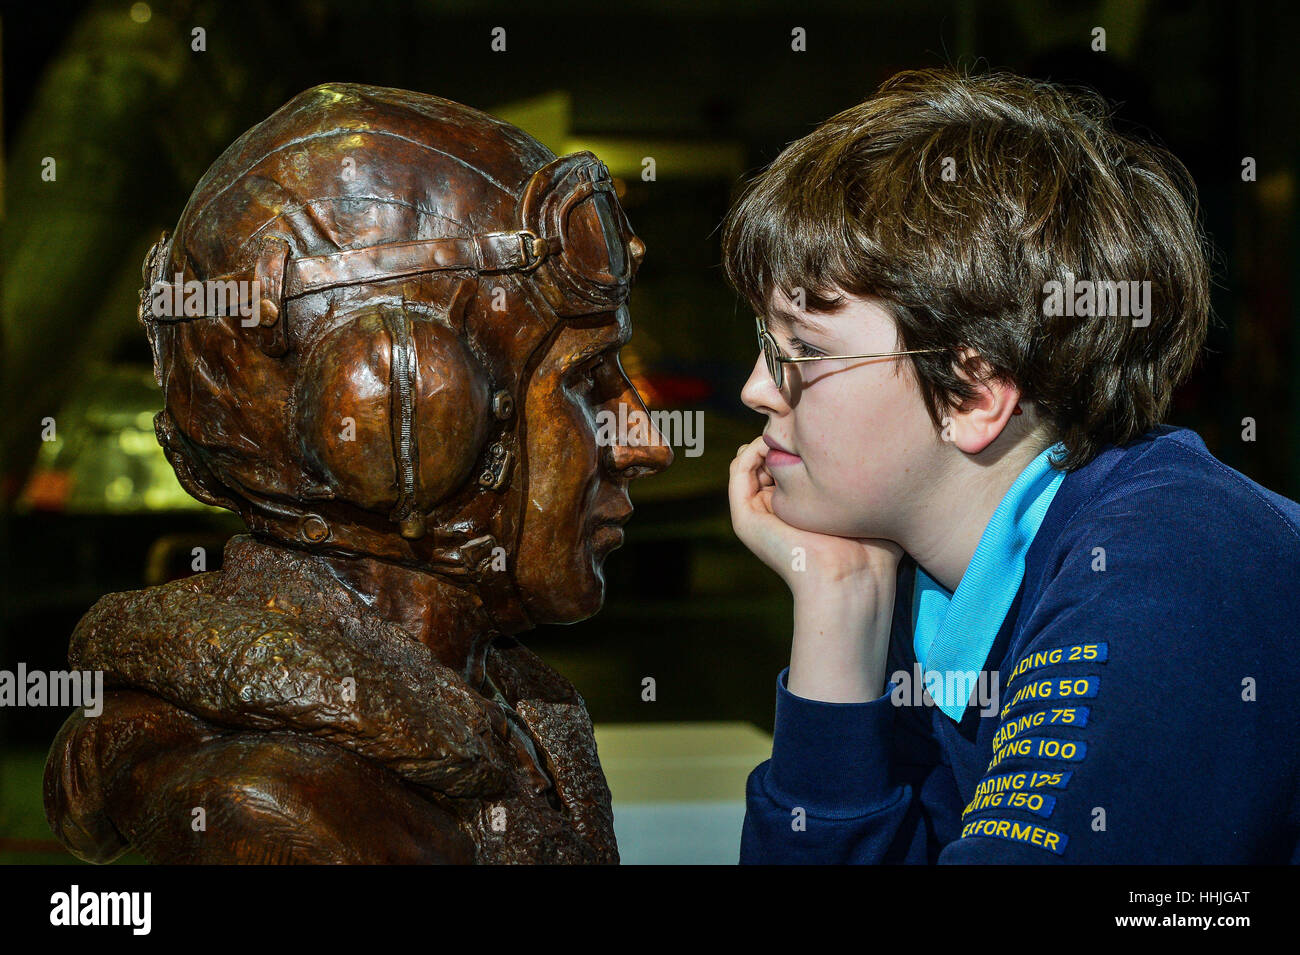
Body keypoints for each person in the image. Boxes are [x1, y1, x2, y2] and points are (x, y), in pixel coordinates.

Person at [44, 83, 671, 864]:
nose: (646, 440)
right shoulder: (294, 827)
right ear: (400, 416)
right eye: (588, 383)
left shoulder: (509, 708)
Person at [724, 68, 1300, 863]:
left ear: (972, 393)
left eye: (805, 351)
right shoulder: (912, 576)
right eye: (766, 343)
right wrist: (839, 601)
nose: (758, 388)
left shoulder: (1174, 569)